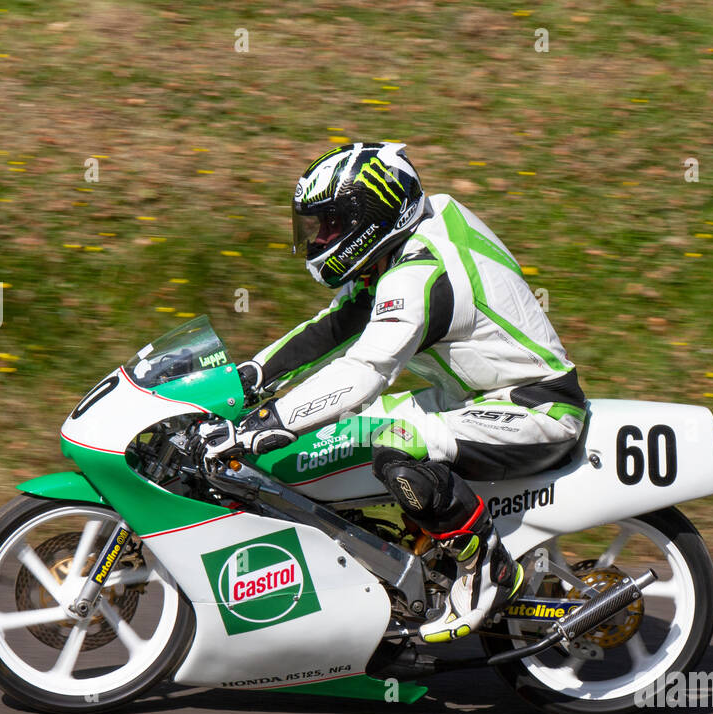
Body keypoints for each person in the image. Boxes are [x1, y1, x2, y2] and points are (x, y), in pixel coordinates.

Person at [201, 142, 585, 642]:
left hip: (532, 407)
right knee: (336, 440)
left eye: (331, 225)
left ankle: (483, 563)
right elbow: (337, 323)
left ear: (372, 218)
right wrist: (248, 378)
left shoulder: (421, 274)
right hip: (473, 397)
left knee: (397, 444)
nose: (319, 239)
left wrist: (266, 426)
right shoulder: (416, 229)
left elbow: (363, 372)